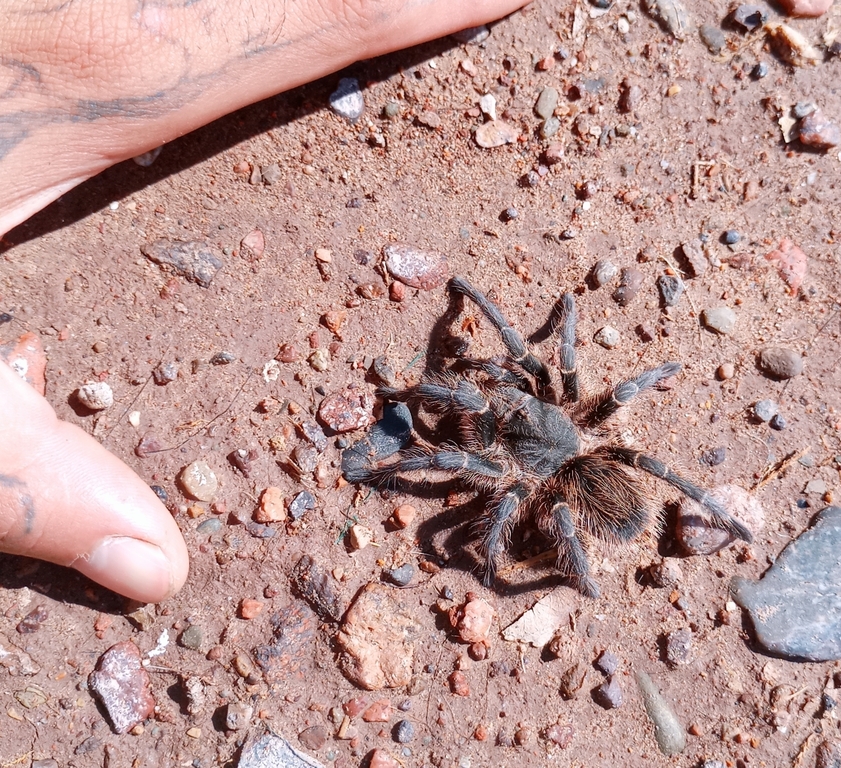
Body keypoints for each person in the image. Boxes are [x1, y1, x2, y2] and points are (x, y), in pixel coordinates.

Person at [0, 0, 530, 603]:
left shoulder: (514, 474)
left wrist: (387, 452)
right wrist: (476, 304)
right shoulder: (533, 399)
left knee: (472, 437)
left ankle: (398, 471)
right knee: (499, 386)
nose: (511, 397)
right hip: (553, 445)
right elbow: (522, 363)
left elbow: (466, 456)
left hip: (545, 471)